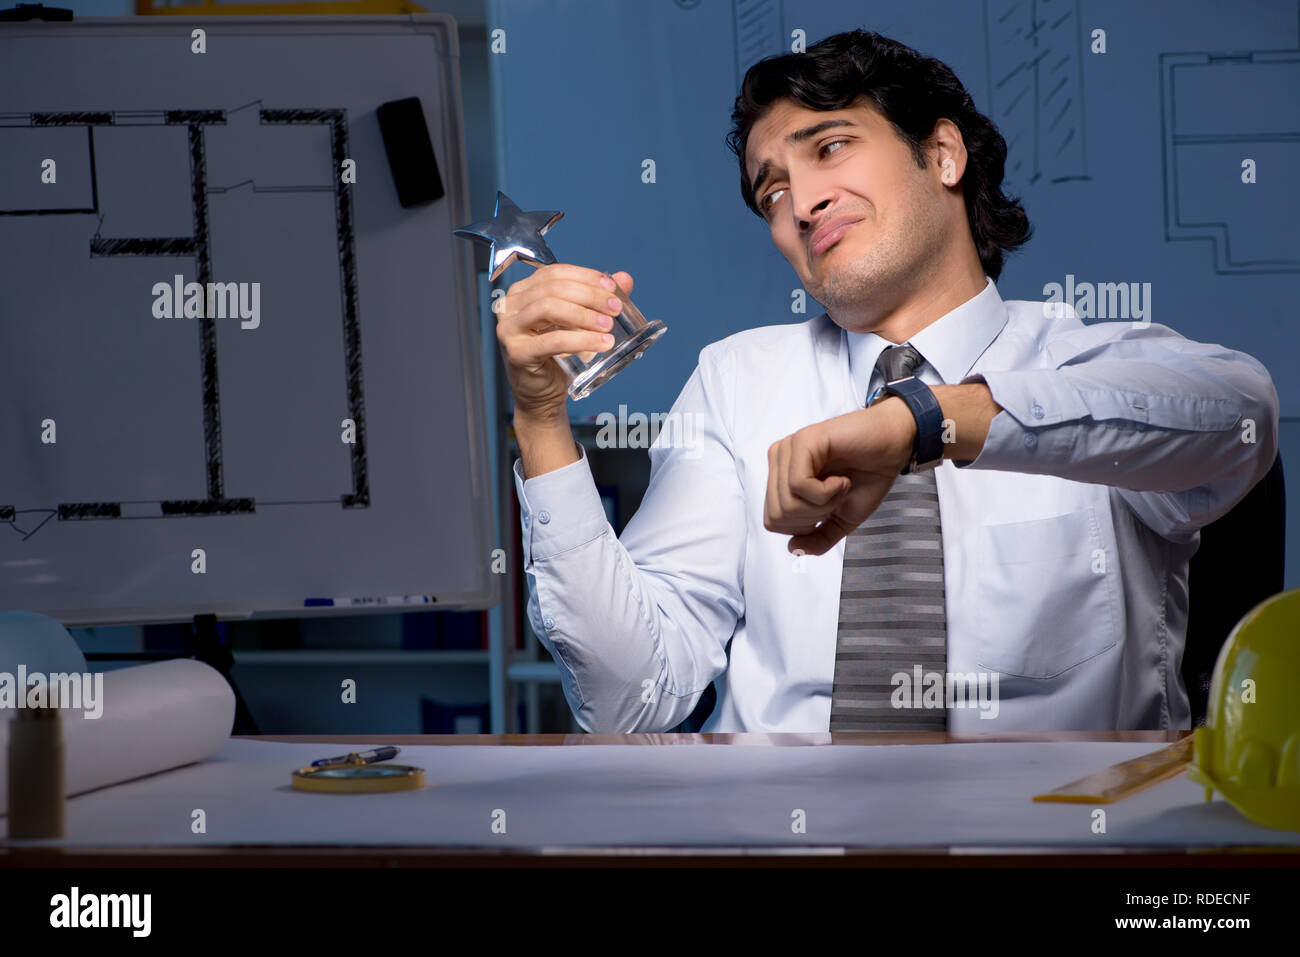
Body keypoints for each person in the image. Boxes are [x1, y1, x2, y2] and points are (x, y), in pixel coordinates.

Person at [494, 30, 1279, 733]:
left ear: (943, 154)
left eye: (830, 147)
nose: (802, 202)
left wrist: (927, 419)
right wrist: (540, 418)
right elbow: (631, 696)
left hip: (1049, 843)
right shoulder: (736, 379)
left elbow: (1242, 417)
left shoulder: (1084, 361)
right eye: (771, 191)